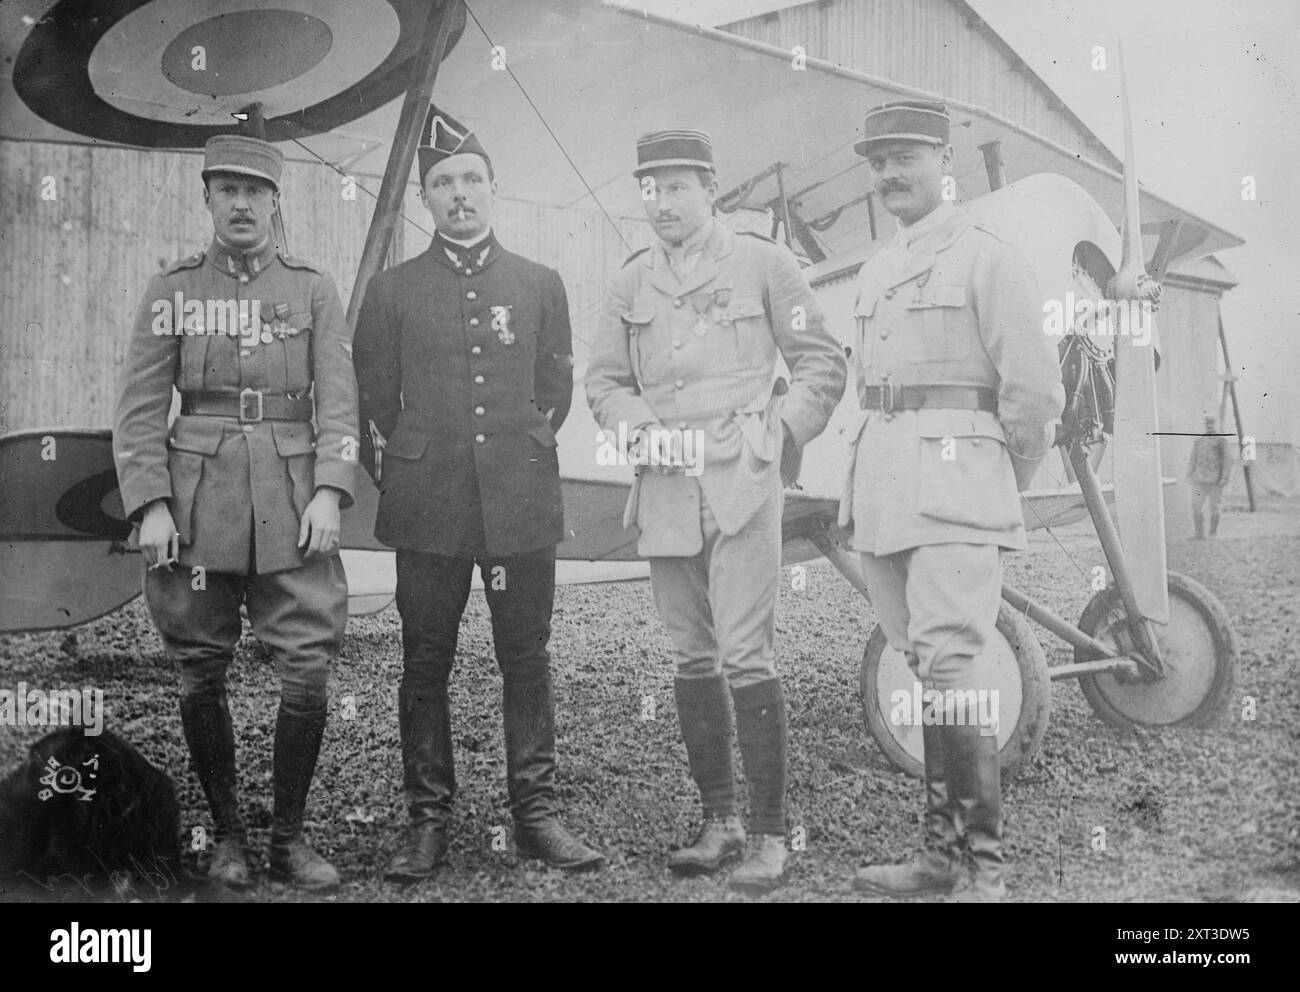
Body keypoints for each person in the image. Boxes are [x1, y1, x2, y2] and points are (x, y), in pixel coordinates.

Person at [586, 128, 846, 893]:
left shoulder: (764, 262)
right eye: (650, 190)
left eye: (676, 187)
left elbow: (821, 362)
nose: (662, 203)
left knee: (747, 653)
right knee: (690, 655)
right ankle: (718, 821)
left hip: (739, 476)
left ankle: (769, 835)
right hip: (665, 486)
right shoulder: (632, 282)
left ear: (709, 187)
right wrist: (635, 428)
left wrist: (778, 436)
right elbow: (603, 383)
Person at [354, 113, 602, 881]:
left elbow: (553, 391)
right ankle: (428, 822)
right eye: (442, 183)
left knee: (525, 657)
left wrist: (509, 457)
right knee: (425, 662)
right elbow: (377, 400)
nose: (458, 195)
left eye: (471, 180)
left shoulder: (538, 283)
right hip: (428, 505)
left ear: (494, 189)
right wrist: (432, 453)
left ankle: (536, 815)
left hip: (519, 505)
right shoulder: (393, 291)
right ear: (426, 198)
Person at [113, 134, 359, 891]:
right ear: (208, 199)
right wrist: (151, 503)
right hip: (196, 505)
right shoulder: (172, 288)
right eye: (228, 190)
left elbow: (339, 399)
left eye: (256, 191)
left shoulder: (314, 288)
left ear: (277, 201)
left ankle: (289, 838)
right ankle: (228, 835)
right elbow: (140, 406)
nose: (242, 203)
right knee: (199, 667)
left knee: (308, 668)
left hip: (291, 501)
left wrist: (330, 487)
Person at [841, 102, 1064, 902]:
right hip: (888, 487)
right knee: (926, 665)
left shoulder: (988, 258)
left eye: (904, 157)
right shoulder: (878, 265)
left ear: (945, 161)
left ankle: (984, 871)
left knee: (956, 666)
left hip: (957, 485)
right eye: (877, 161)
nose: (889, 174)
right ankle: (937, 857)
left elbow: (1034, 395)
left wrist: (998, 478)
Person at [1187, 414, 1231, 538]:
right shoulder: (1199, 441)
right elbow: (1192, 459)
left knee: (1214, 507)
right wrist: (1188, 475)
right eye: (1207, 424)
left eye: (1211, 424)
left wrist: (1224, 477)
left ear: (1215, 425)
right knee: (1196, 505)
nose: (1209, 426)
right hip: (1199, 479)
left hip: (1215, 480)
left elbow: (1227, 460)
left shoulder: (1221, 441)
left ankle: (1212, 533)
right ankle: (1199, 534)